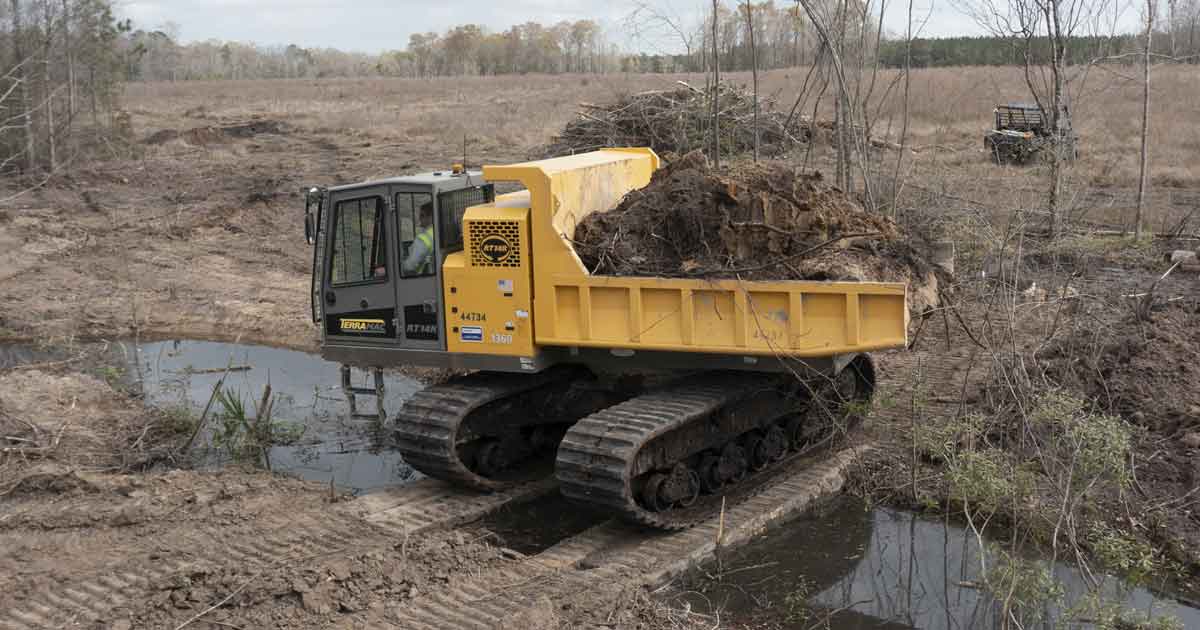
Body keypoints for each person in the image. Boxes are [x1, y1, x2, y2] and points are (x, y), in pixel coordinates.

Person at [402, 202, 435, 275]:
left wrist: (398, 266)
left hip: (420, 278)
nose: (419, 218)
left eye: (422, 215)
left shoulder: (423, 239)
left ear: (430, 217)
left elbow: (410, 266)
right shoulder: (439, 232)